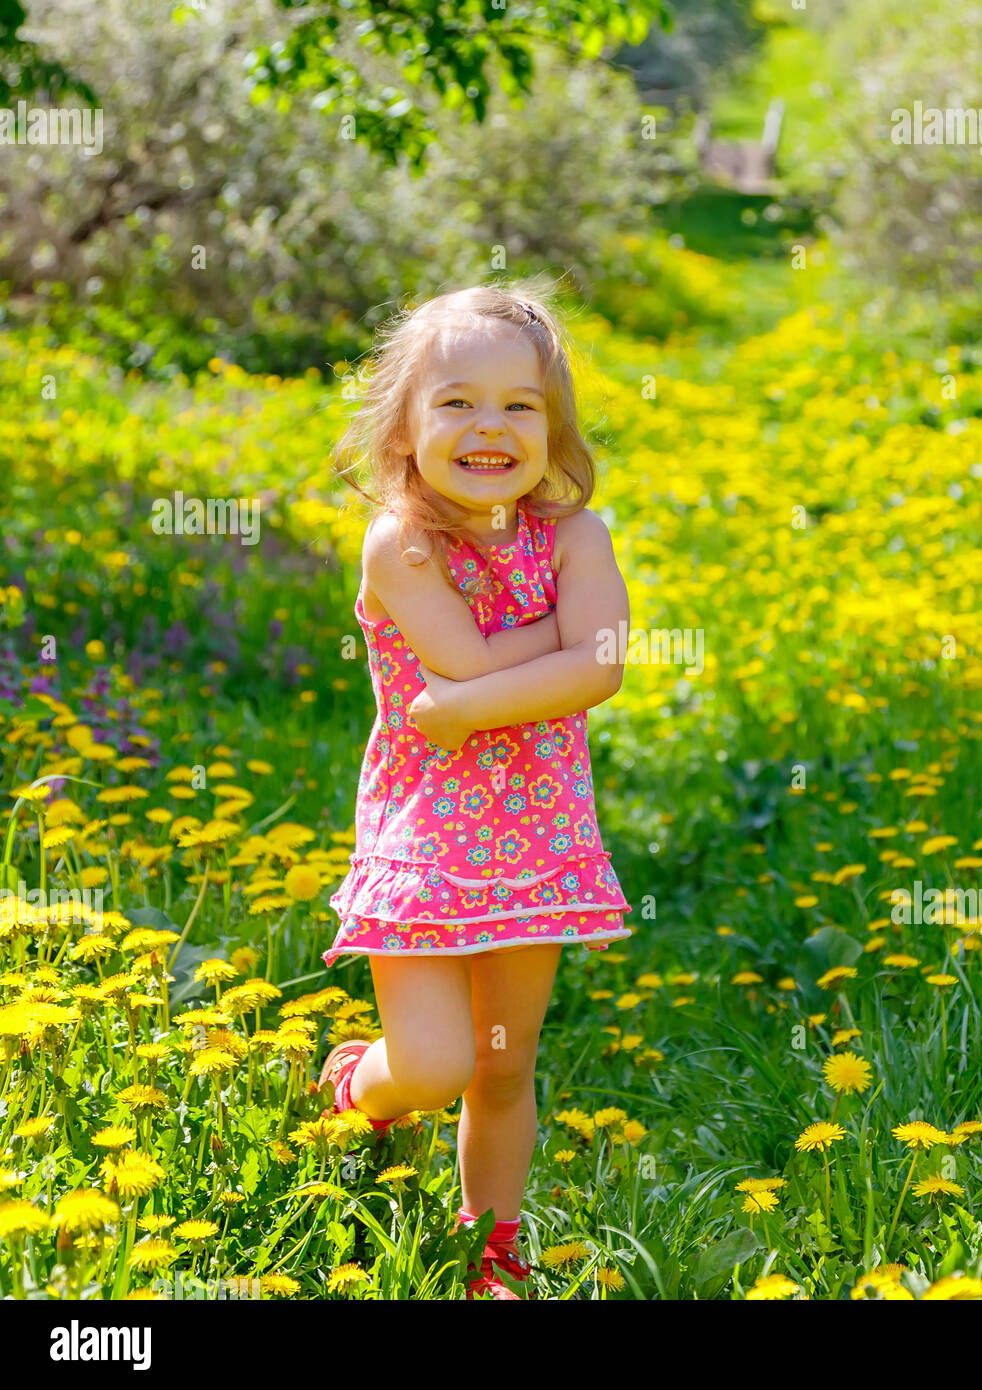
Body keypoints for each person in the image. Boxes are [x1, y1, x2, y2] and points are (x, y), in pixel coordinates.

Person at [318, 282, 633, 1299]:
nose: (488, 427)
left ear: (555, 426)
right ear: (404, 427)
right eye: (455, 402)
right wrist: (569, 647)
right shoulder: (400, 542)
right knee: (437, 1066)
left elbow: (602, 668)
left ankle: (486, 1250)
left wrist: (568, 661)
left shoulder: (579, 537)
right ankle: (356, 1087)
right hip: (423, 844)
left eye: (519, 405)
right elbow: (462, 676)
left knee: (502, 1067)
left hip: (535, 843)